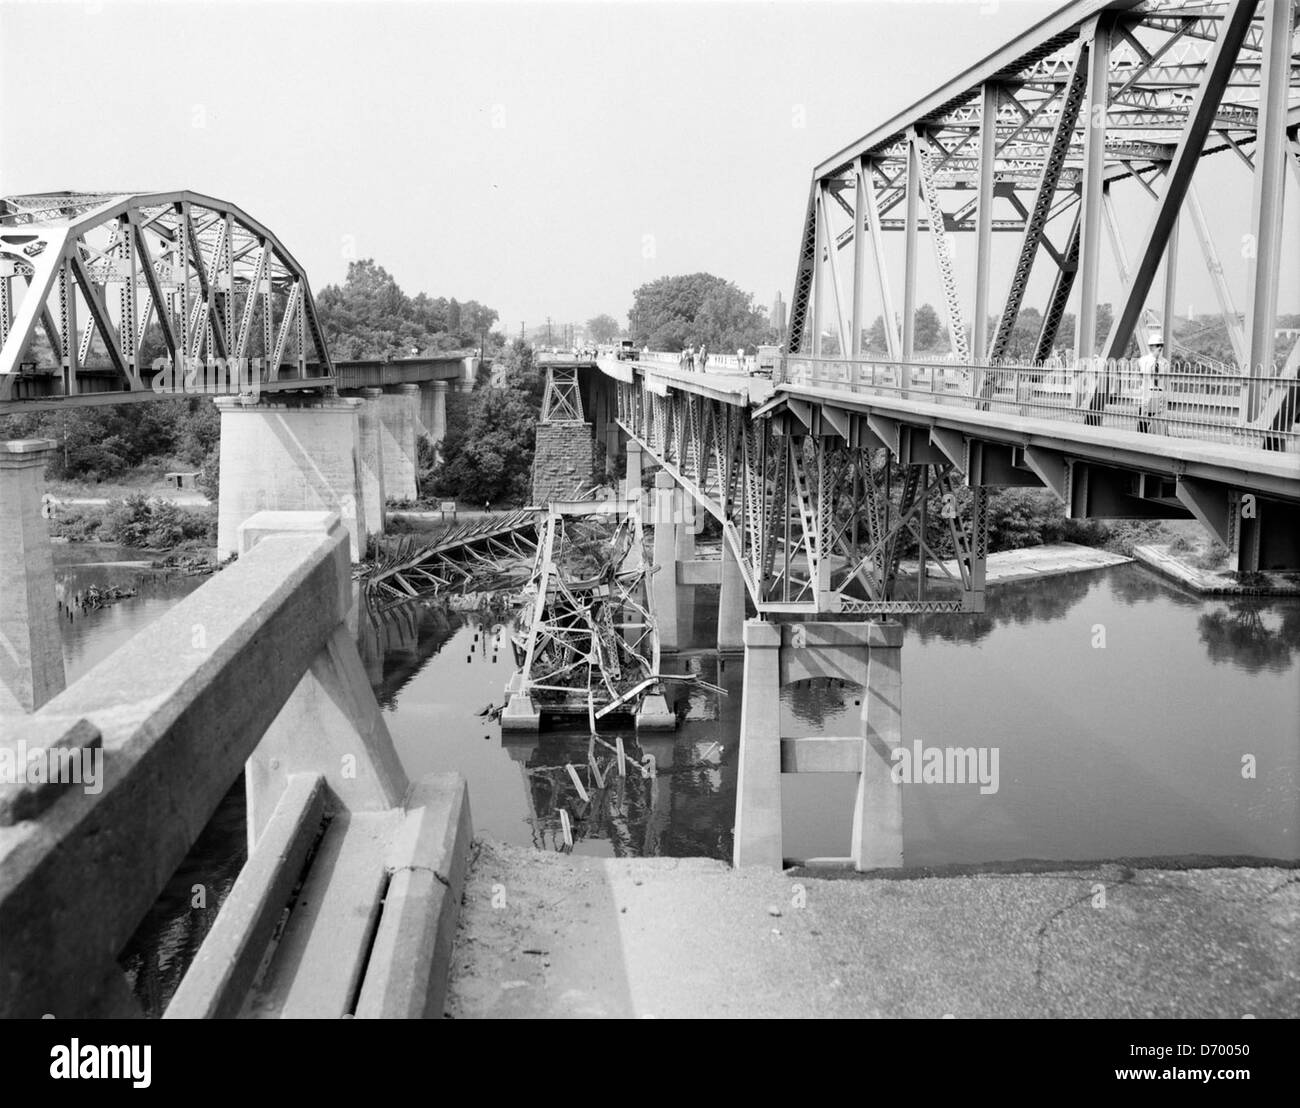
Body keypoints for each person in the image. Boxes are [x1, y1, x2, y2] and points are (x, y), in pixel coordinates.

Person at [1136, 331, 1167, 434]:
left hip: (1159, 395)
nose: (1160, 348)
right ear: (1151, 347)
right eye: (1157, 346)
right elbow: (1143, 375)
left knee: (1159, 420)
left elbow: (1165, 380)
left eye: (1161, 345)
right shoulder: (1144, 360)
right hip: (1147, 394)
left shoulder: (1164, 363)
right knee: (1143, 421)